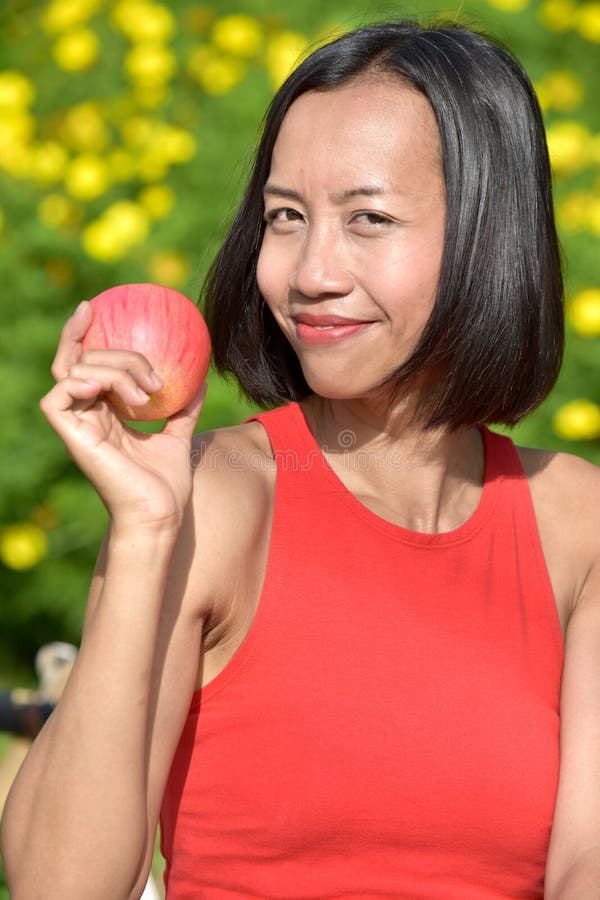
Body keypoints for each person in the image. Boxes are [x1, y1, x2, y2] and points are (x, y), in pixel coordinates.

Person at [1, 18, 599, 900]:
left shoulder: (578, 526)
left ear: (488, 234)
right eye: (286, 216)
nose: (311, 272)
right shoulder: (213, 501)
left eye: (369, 219)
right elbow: (60, 888)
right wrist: (145, 532)